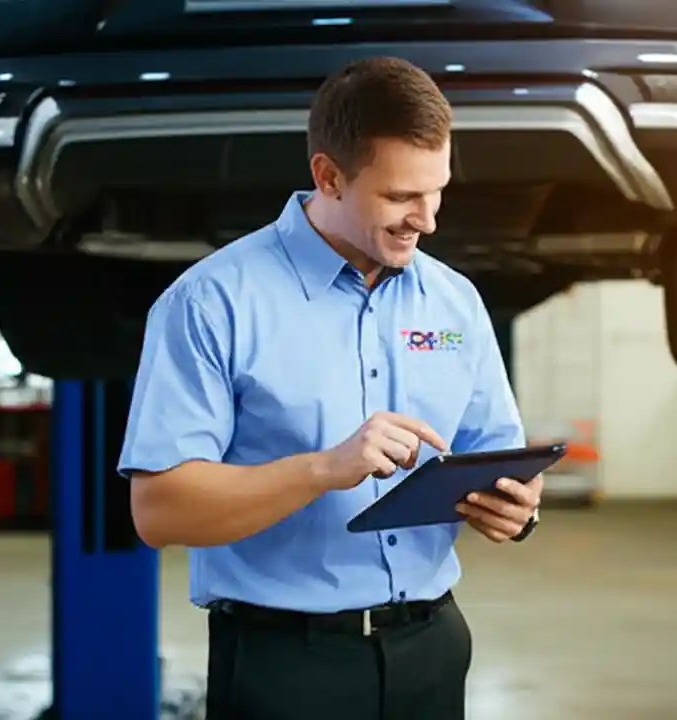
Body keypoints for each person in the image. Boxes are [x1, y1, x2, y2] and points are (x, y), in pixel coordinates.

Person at [116, 56, 544, 720]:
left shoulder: (455, 302)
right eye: (401, 197)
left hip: (432, 649)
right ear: (329, 176)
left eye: (437, 192)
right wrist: (323, 468)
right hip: (286, 667)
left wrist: (517, 506)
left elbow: (495, 453)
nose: (425, 220)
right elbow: (159, 510)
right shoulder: (210, 303)